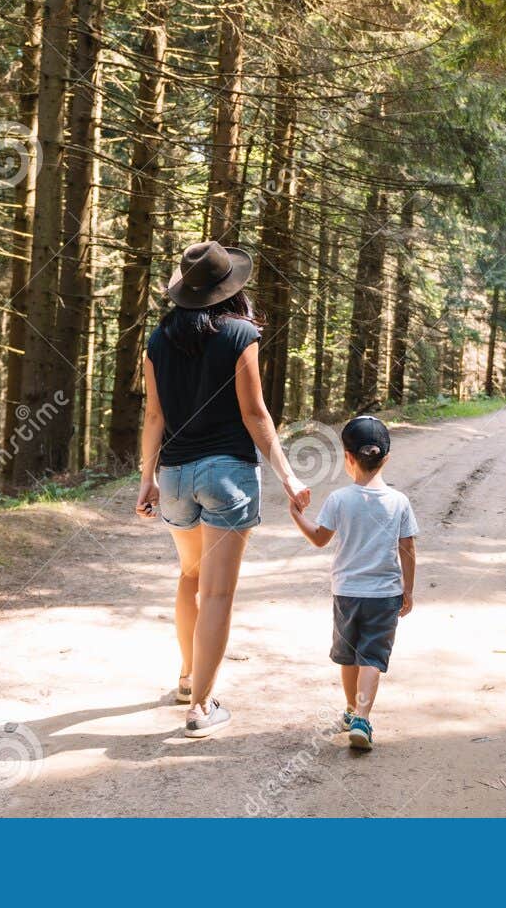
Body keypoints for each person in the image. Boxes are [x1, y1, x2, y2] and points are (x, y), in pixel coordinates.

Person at [135, 241, 310, 738]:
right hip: (227, 474)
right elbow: (255, 414)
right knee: (217, 593)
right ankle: (202, 708)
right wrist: (288, 475)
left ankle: (189, 679)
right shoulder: (240, 334)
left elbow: (154, 416)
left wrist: (147, 478)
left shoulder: (158, 338)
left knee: (190, 576)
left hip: (174, 475)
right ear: (229, 288)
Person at [288, 415, 417, 751]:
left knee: (348, 656)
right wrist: (409, 589)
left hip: (346, 594)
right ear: (386, 459)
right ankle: (362, 716)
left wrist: (296, 515)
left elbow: (319, 538)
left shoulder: (339, 500)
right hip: (385, 595)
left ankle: (350, 710)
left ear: (347, 457)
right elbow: (408, 549)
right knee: (372, 657)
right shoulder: (399, 501)